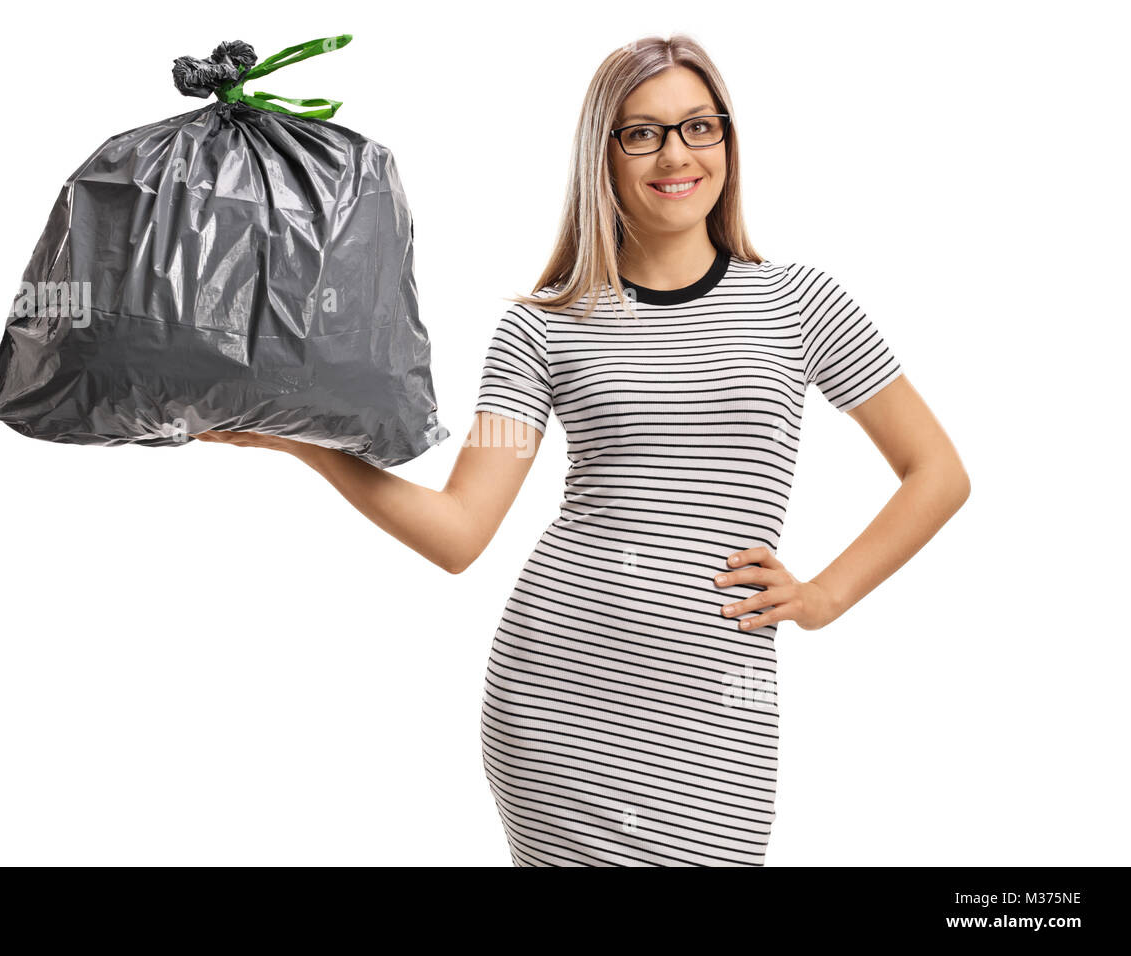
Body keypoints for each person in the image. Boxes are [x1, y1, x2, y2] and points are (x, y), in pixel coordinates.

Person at [193, 33, 970, 866]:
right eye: (642, 132)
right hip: (558, 698)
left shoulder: (802, 302)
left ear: (728, 140)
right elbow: (460, 530)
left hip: (722, 708)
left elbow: (938, 474)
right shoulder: (538, 329)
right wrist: (305, 445)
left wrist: (824, 597)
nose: (677, 154)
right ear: (603, 155)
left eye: (700, 126)